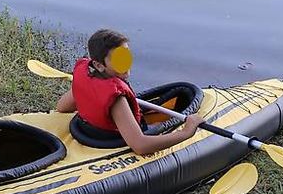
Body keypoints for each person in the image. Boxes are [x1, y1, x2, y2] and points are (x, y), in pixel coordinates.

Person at [56, 29, 204, 155]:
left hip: (89, 131)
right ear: (99, 65)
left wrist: (88, 95)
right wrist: (186, 132)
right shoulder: (116, 99)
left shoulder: (87, 74)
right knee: (156, 126)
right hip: (112, 138)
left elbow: (63, 107)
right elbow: (140, 145)